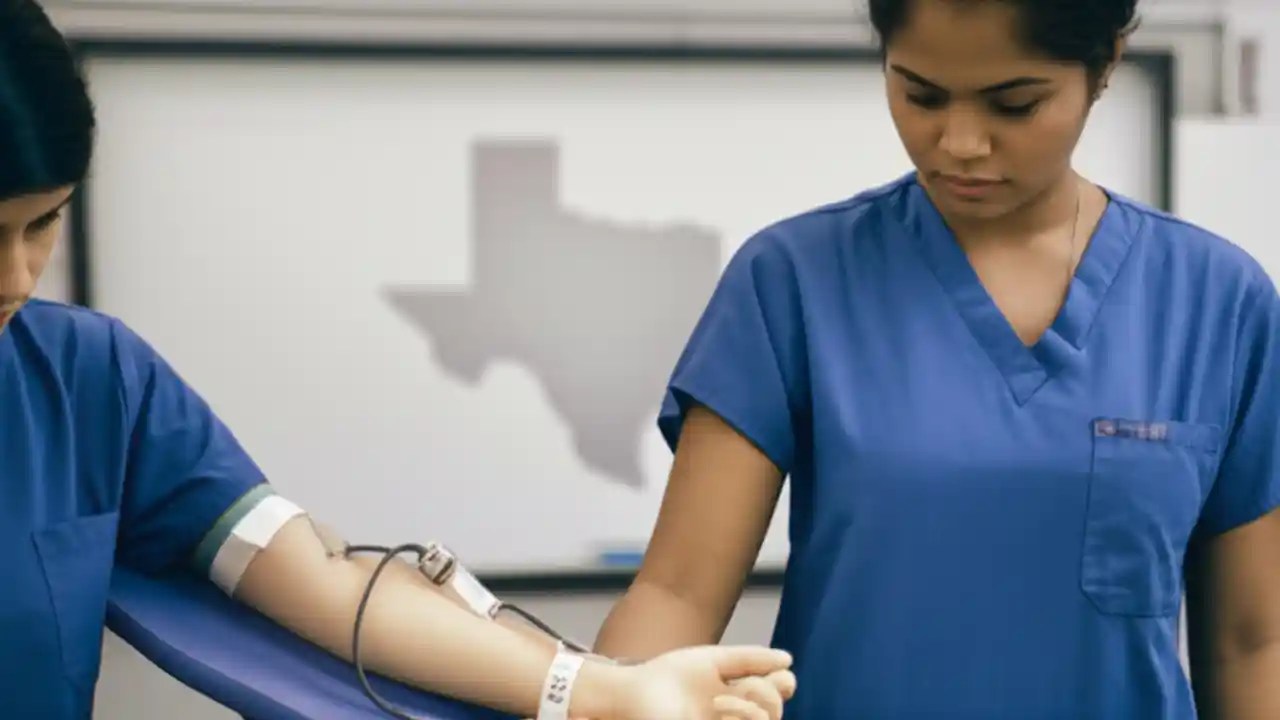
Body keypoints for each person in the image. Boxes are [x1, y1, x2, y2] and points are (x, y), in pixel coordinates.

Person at [0, 2, 800, 719]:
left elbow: (319, 578)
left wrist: (599, 693)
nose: (17, 277)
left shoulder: (86, 382)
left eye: (43, 225)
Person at [594, 0, 1280, 718]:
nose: (958, 142)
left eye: (1013, 104)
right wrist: (607, 699)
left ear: (1104, 64)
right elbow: (676, 595)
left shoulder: (1217, 302)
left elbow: (1252, 641)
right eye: (920, 94)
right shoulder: (793, 281)